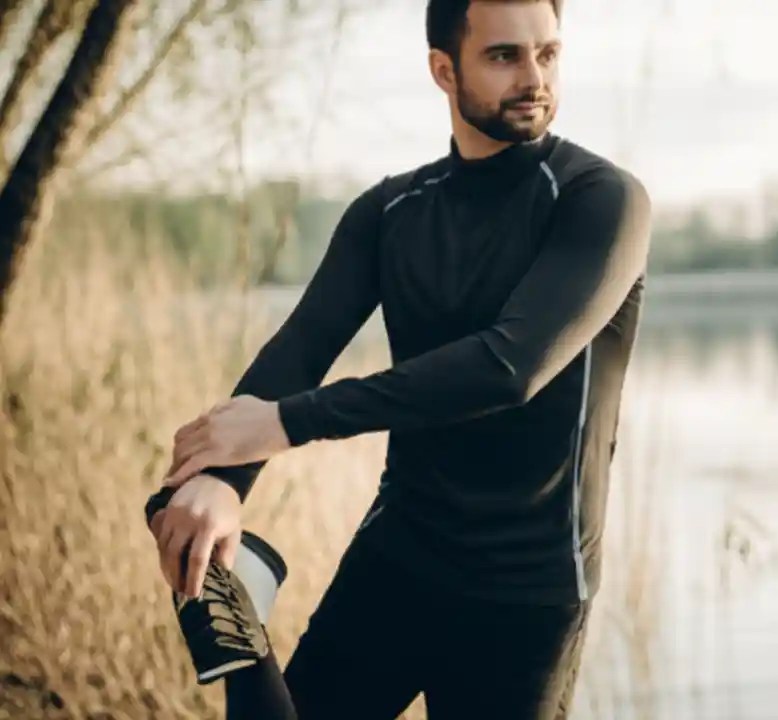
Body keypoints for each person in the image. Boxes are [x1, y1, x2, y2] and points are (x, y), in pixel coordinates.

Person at [144, 0, 651, 716]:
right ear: (444, 70)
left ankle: (243, 628)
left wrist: (289, 423)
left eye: (548, 53)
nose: (534, 77)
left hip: (526, 589)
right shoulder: (389, 213)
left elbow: (510, 366)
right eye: (505, 56)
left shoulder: (601, 201)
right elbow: (299, 348)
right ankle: (241, 631)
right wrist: (221, 479)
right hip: (403, 553)